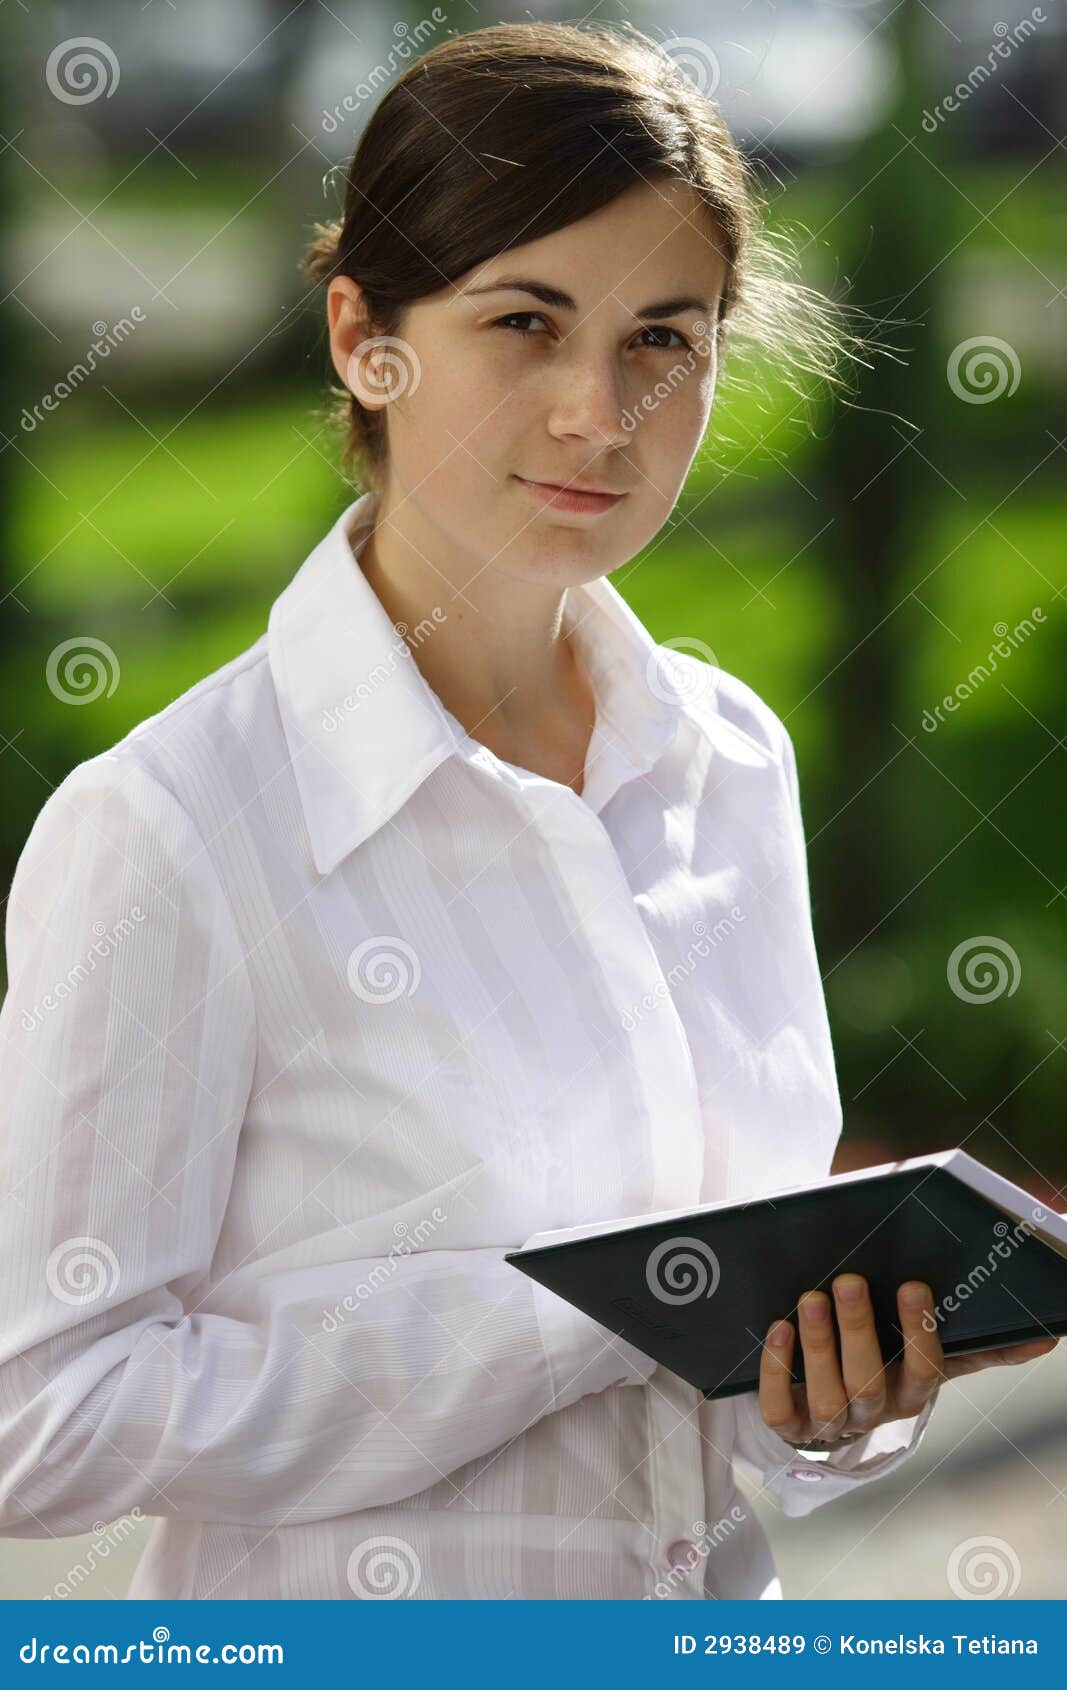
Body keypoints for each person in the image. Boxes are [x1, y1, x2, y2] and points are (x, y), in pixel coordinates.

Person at [0, 19, 1055, 1603]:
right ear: (365, 337)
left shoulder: (730, 765)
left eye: (662, 338)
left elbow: (740, 1414)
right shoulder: (173, 827)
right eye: (524, 322)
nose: (599, 413)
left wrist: (840, 1395)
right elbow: (42, 1421)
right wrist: (574, 1313)